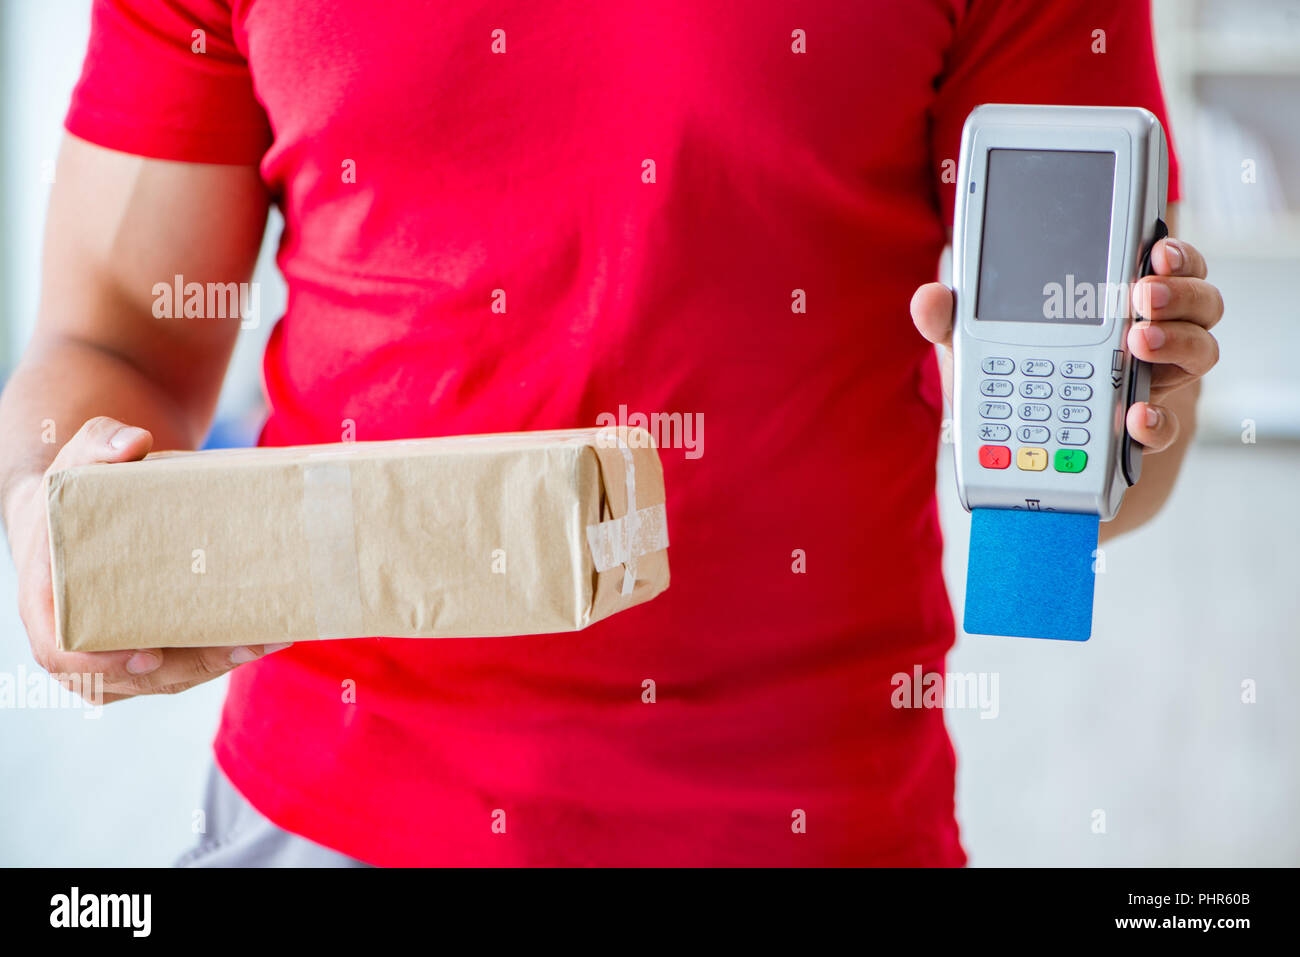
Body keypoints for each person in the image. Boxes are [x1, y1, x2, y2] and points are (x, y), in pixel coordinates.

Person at [0, 0, 1222, 866]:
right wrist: (52, 516)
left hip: (806, 820)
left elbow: (1112, 461)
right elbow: (113, 345)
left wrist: (1124, 426)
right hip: (332, 806)